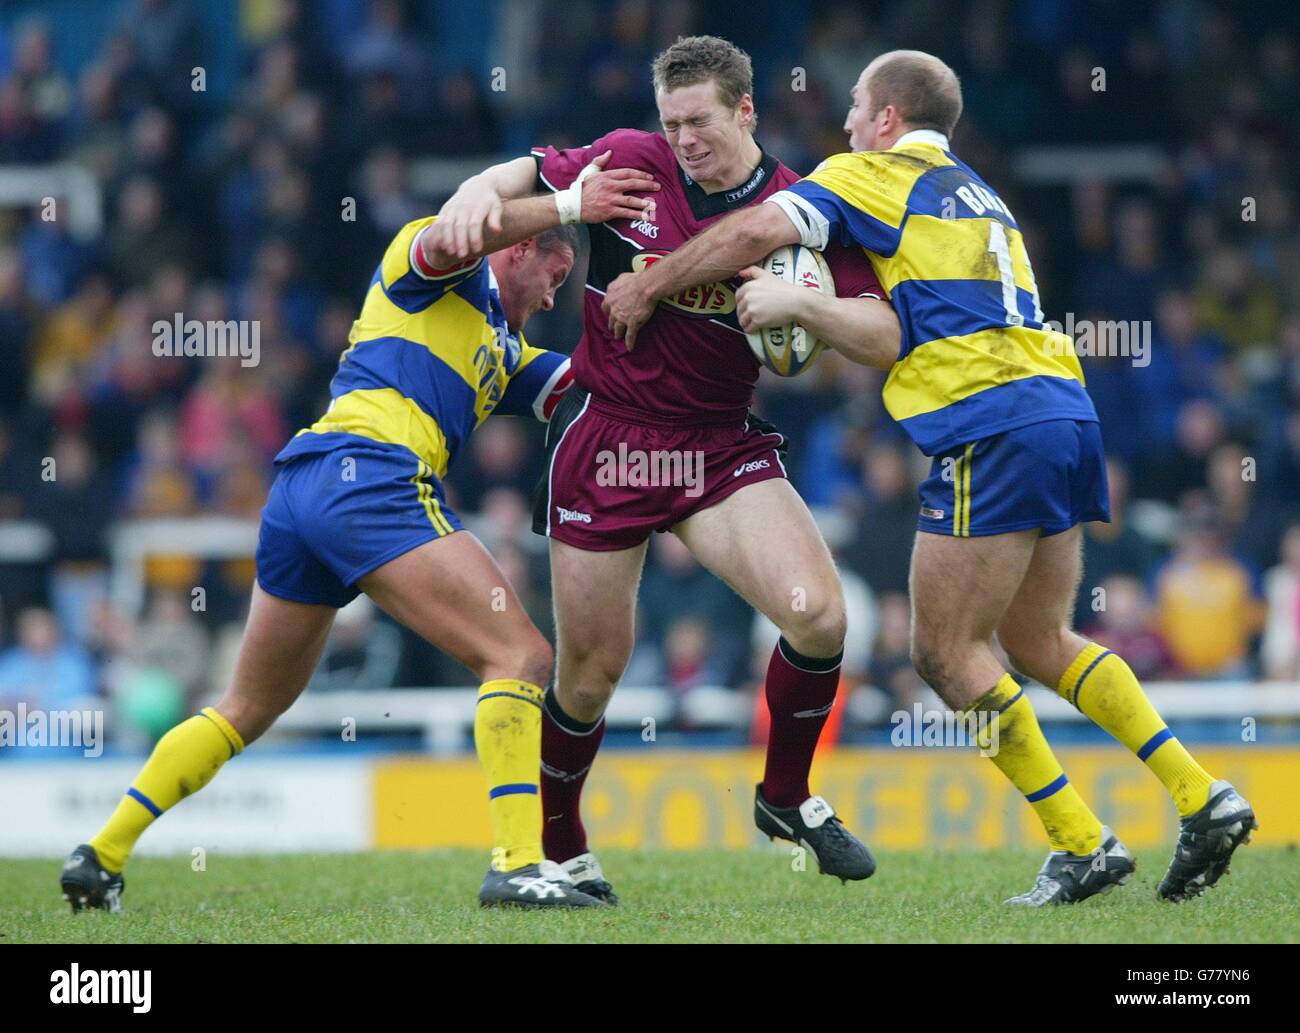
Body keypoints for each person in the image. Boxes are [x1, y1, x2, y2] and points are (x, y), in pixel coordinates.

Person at [602, 49, 1256, 906]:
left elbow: (756, 228)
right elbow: (908, 318)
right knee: (1038, 642)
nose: (841, 128)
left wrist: (654, 286)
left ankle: (1081, 840)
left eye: (854, 112)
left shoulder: (873, 171)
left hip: (989, 422)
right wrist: (812, 309)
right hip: (1063, 408)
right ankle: (1202, 795)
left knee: (944, 653)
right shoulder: (977, 194)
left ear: (886, 120)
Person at [61, 154, 661, 912]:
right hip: (368, 476)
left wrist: (667, 310)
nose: (556, 289)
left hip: (302, 490)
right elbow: (456, 231)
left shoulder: (505, 351)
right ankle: (517, 862)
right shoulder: (433, 268)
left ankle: (100, 852)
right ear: (519, 249)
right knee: (520, 653)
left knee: (249, 704)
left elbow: (595, 391)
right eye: (556, 268)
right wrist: (569, 202)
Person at [431, 35, 901, 902]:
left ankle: (786, 793)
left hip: (717, 445)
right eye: (672, 120)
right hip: (608, 438)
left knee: (821, 616)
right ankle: (564, 845)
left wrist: (805, 306)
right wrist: (472, 189)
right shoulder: (635, 162)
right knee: (592, 670)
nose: (683, 139)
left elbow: (884, 333)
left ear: (747, 111)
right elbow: (526, 175)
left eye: (701, 121)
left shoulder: (802, 204)